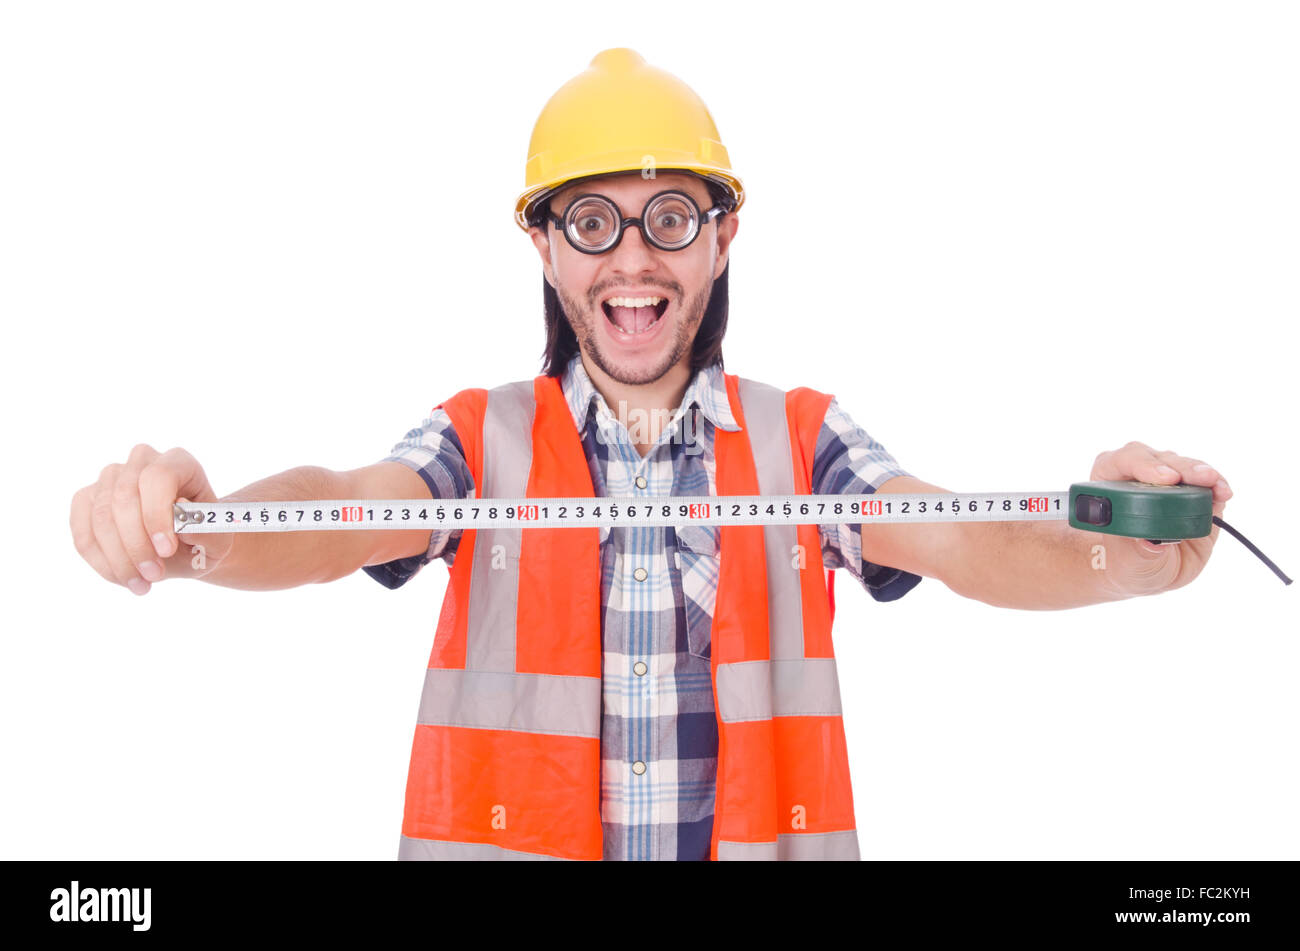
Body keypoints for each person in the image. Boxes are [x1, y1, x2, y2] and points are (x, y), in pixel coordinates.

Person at [68, 48, 1232, 861]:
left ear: (721, 239)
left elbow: (957, 538)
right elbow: (340, 512)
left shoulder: (801, 442)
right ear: (543, 247)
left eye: (670, 218)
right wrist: (202, 537)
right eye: (592, 224)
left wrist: (1108, 555)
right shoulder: (479, 445)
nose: (634, 261)